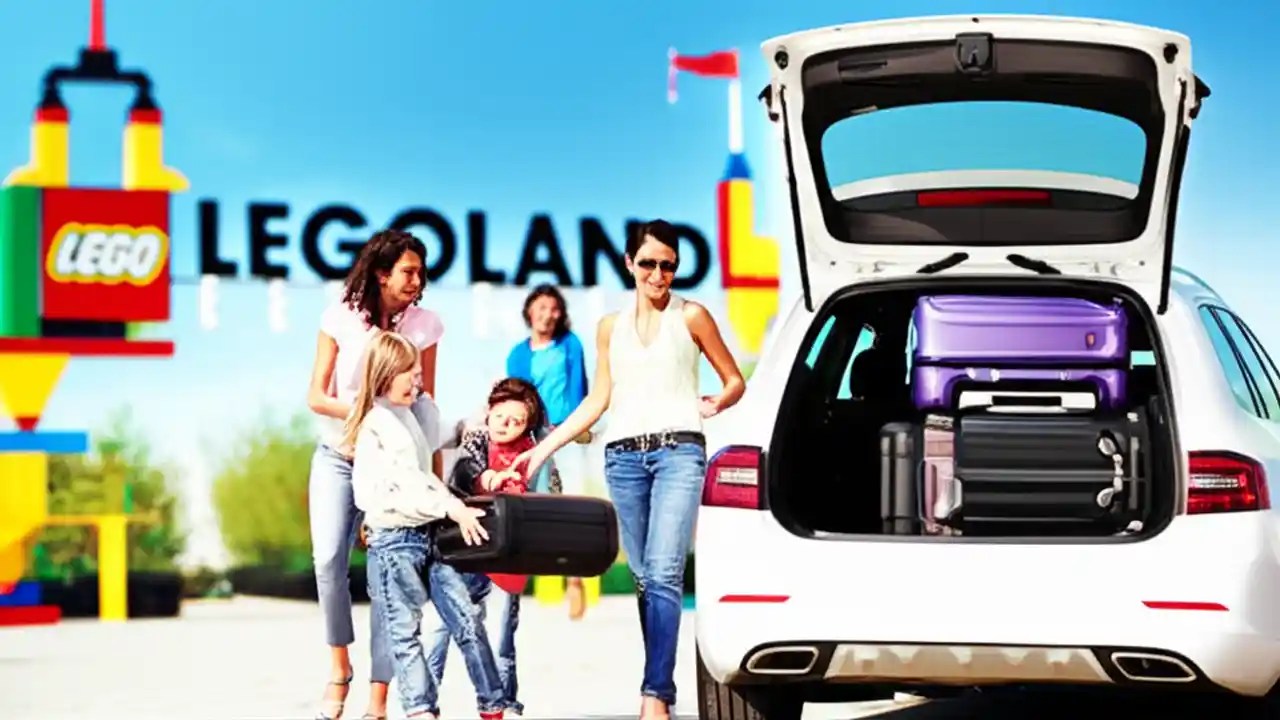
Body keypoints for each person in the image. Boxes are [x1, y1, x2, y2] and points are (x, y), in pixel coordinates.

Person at [514, 219, 746, 720]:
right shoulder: (607, 329)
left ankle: (654, 696)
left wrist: (717, 401)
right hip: (622, 460)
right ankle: (657, 683)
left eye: (668, 265)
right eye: (649, 263)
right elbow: (597, 400)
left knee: (663, 573)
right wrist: (540, 449)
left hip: (680, 453)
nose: (658, 274)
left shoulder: (693, 317)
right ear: (629, 264)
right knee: (644, 577)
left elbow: (734, 380)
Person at [305, 229, 444, 720]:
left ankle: (378, 699)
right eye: (408, 271)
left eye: (421, 272)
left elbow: (424, 405)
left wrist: (435, 482)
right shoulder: (339, 316)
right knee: (327, 560)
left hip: (396, 469)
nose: (417, 280)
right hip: (338, 455)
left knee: (390, 576)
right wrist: (372, 413)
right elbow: (317, 396)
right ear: (382, 273)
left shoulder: (425, 325)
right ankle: (338, 666)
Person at [345, 330, 507, 720]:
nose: (417, 381)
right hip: (393, 544)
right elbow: (410, 482)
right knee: (406, 634)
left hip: (426, 535)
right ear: (386, 373)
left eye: (418, 373)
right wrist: (456, 509)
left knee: (466, 618)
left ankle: (493, 705)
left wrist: (484, 415)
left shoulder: (406, 415)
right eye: (410, 374)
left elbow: (439, 445)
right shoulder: (378, 424)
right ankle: (421, 711)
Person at [426, 378, 564, 717]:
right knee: (443, 625)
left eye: (516, 421)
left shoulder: (533, 455)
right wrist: (491, 478)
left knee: (503, 633)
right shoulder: (476, 439)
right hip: (466, 549)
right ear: (489, 413)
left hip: (508, 556)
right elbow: (464, 473)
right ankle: (422, 701)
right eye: (501, 415)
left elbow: (553, 496)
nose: (506, 425)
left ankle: (503, 704)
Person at [504, 284, 591, 619]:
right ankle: (531, 573)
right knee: (539, 501)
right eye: (542, 307)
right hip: (533, 435)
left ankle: (574, 579)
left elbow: (580, 384)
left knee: (573, 502)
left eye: (554, 308)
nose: (548, 314)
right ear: (530, 311)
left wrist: (581, 423)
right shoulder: (517, 354)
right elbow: (514, 397)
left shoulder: (570, 344)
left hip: (566, 431)